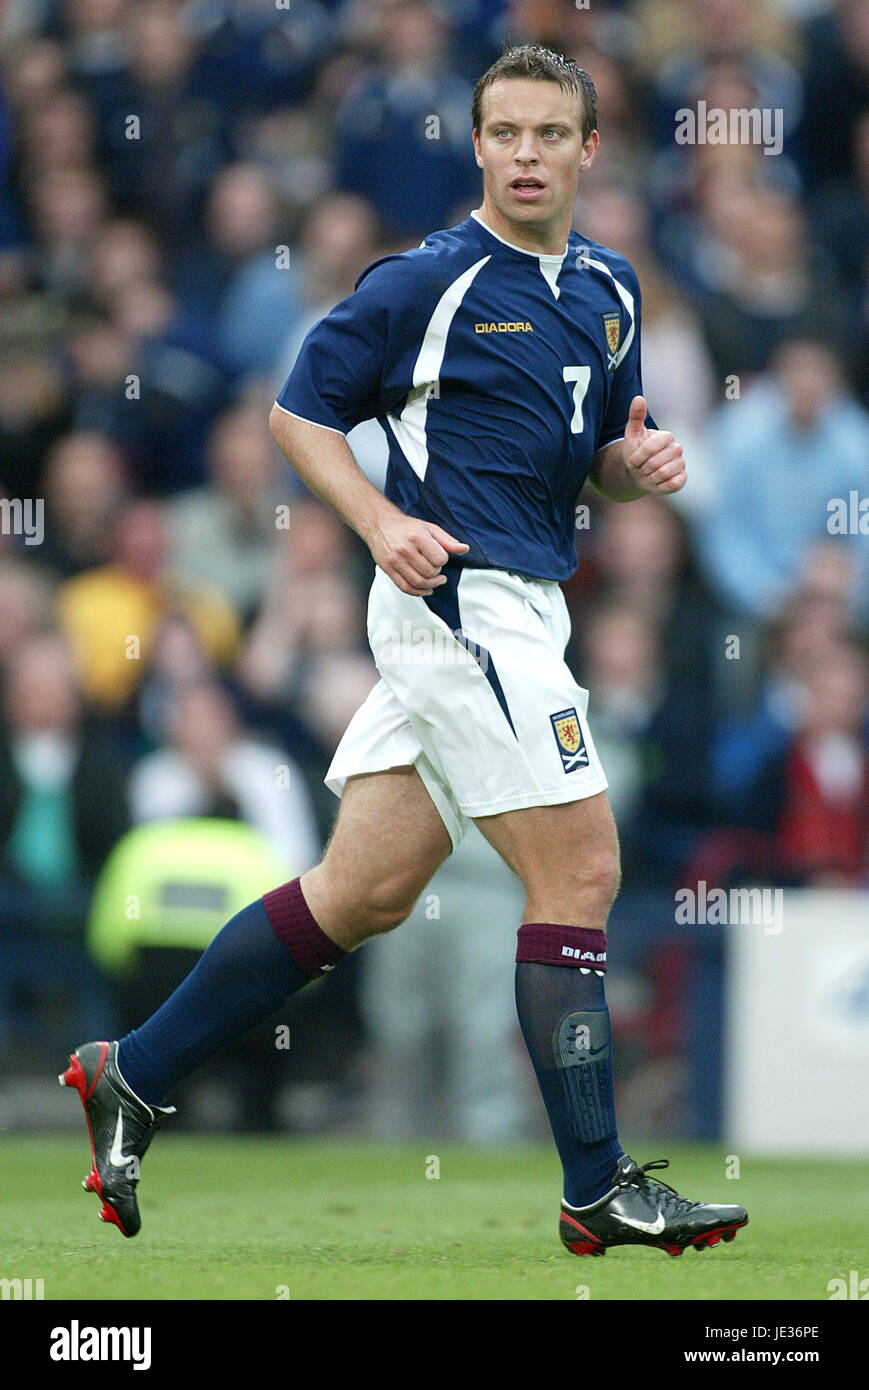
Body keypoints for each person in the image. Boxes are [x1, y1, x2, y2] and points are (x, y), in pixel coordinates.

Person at [61, 44, 747, 1258]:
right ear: (476, 146)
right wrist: (378, 524)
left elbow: (587, 461)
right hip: (456, 605)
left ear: (591, 150)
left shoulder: (610, 286)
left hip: (527, 603)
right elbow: (294, 411)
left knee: (361, 893)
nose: (526, 155)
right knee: (580, 870)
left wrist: (628, 476)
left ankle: (135, 1068)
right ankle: (595, 1184)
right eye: (505, 134)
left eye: (549, 134)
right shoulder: (424, 279)